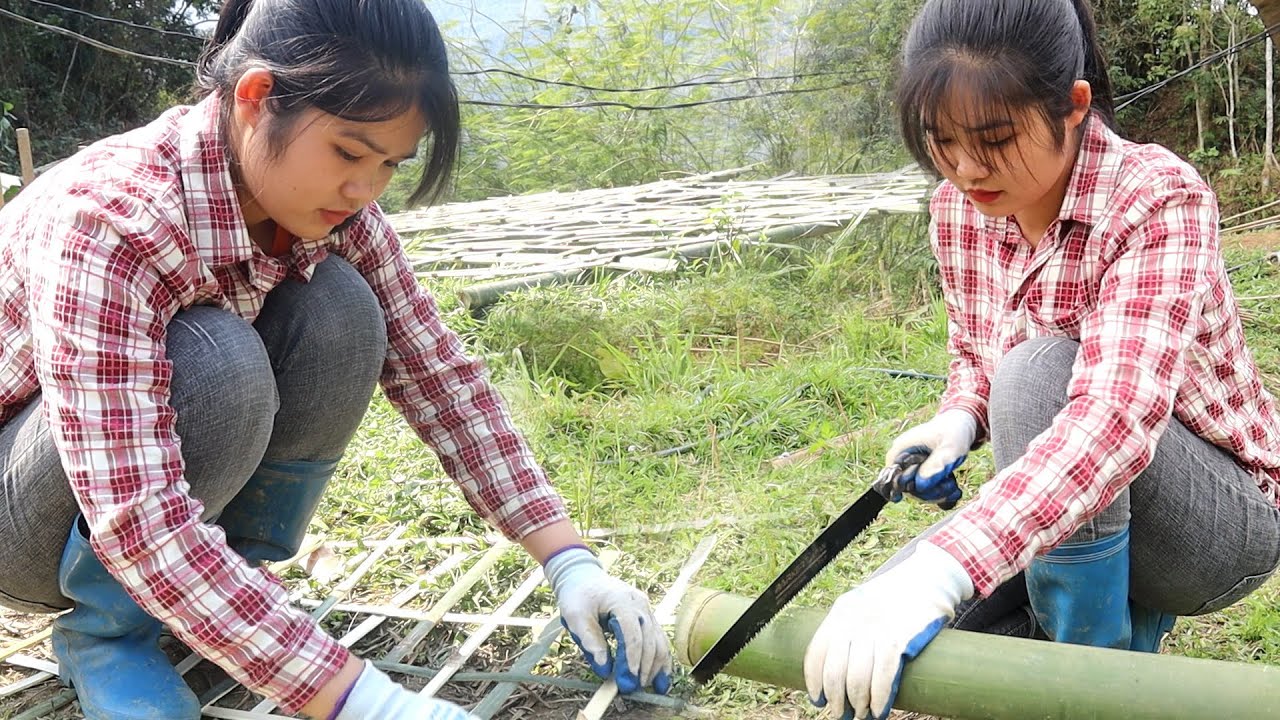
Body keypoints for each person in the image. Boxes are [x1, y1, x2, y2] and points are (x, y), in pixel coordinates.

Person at [0, 1, 673, 718]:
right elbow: (135, 514)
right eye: (349, 153)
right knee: (214, 360)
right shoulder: (111, 223)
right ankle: (109, 633)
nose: (364, 189)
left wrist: (569, 560)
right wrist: (363, 703)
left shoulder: (337, 214)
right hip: (31, 518)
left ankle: (230, 591)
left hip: (128, 501)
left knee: (344, 306)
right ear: (257, 98)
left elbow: (439, 377)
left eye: (390, 163)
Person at [801, 0, 1280, 718]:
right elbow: (976, 346)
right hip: (1077, 505)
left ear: (1073, 106)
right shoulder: (959, 210)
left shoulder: (1156, 198)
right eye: (941, 140)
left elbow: (1114, 418)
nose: (965, 168)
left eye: (994, 137)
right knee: (897, 638)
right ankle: (1060, 631)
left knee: (1037, 373)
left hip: (1216, 524)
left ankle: (1091, 681)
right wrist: (959, 417)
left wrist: (949, 564)